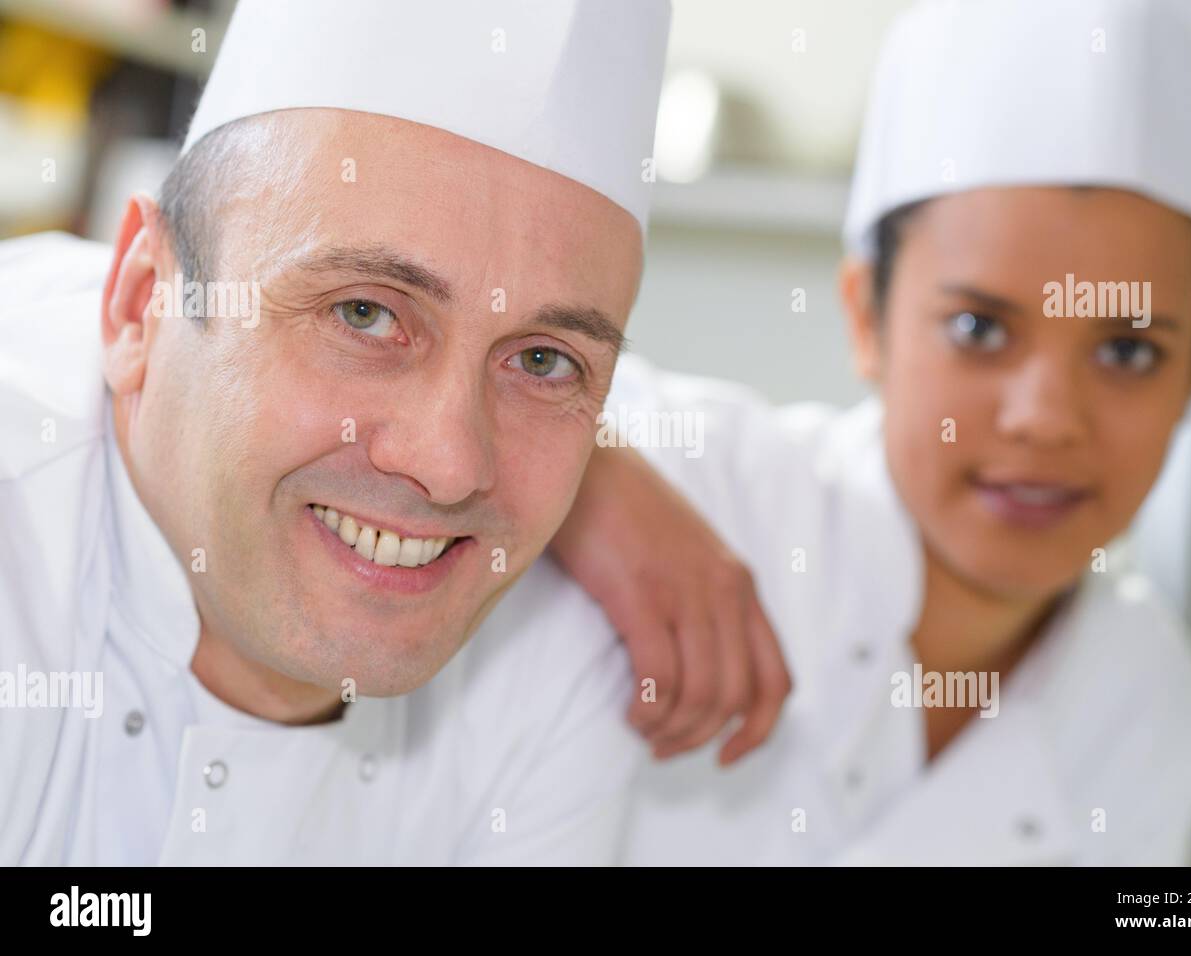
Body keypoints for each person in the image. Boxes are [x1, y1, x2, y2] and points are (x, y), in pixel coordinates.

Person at [552, 0, 1191, 864]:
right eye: (980, 331)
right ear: (865, 316)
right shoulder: (696, 486)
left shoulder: (1154, 705)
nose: (1046, 419)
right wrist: (583, 476)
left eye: (1129, 350)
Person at [0, 0, 682, 865]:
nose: (450, 463)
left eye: (542, 363)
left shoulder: (559, 678)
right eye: (363, 314)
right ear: (143, 302)